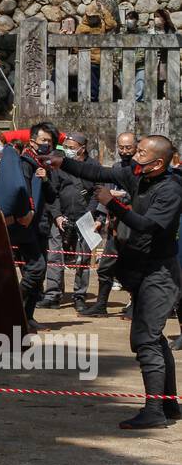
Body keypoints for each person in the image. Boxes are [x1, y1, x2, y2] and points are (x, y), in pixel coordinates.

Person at [47, 135, 182, 428]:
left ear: (158, 163)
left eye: (142, 153)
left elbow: (146, 226)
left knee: (145, 338)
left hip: (160, 273)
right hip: (140, 270)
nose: (135, 157)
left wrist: (114, 205)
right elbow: (100, 173)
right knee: (154, 338)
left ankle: (155, 410)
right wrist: (63, 162)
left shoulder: (170, 189)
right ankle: (169, 405)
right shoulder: (137, 174)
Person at [1, 121, 60, 330]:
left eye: (50, 142)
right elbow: (22, 192)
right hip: (26, 224)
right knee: (36, 268)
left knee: (37, 272)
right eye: (44, 140)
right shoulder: (24, 162)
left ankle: (27, 316)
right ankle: (11, 308)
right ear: (33, 140)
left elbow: (52, 195)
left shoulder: (45, 164)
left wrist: (45, 180)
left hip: (42, 224)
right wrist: (24, 214)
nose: (47, 145)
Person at [37, 132, 94, 315]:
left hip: (86, 218)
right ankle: (53, 294)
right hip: (61, 217)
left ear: (82, 148)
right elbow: (52, 193)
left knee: (83, 258)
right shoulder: (60, 165)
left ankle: (79, 296)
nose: (68, 151)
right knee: (54, 256)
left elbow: (98, 192)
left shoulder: (93, 167)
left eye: (71, 147)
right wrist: (57, 215)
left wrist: (93, 216)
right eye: (66, 147)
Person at [86, 131, 136, 317]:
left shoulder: (140, 169)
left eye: (128, 147)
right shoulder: (115, 168)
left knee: (133, 268)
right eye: (121, 147)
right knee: (106, 266)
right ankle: (101, 304)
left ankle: (135, 305)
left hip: (132, 226)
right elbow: (106, 195)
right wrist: (100, 219)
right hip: (114, 225)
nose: (124, 151)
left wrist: (122, 195)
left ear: (136, 147)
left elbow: (141, 196)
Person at [76, 0, 116, 101]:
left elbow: (112, 24)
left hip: (103, 59)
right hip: (90, 61)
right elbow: (76, 46)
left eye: (95, 16)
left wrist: (103, 10)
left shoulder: (101, 25)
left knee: (105, 85)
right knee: (92, 87)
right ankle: (92, 102)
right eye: (91, 16)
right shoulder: (82, 27)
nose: (93, 18)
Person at [152, 8, 176, 100]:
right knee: (157, 83)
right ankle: (157, 100)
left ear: (164, 19)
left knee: (168, 80)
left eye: (158, 17)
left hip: (166, 59)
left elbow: (174, 41)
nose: (156, 19)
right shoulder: (152, 30)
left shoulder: (170, 30)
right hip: (154, 59)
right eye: (154, 17)